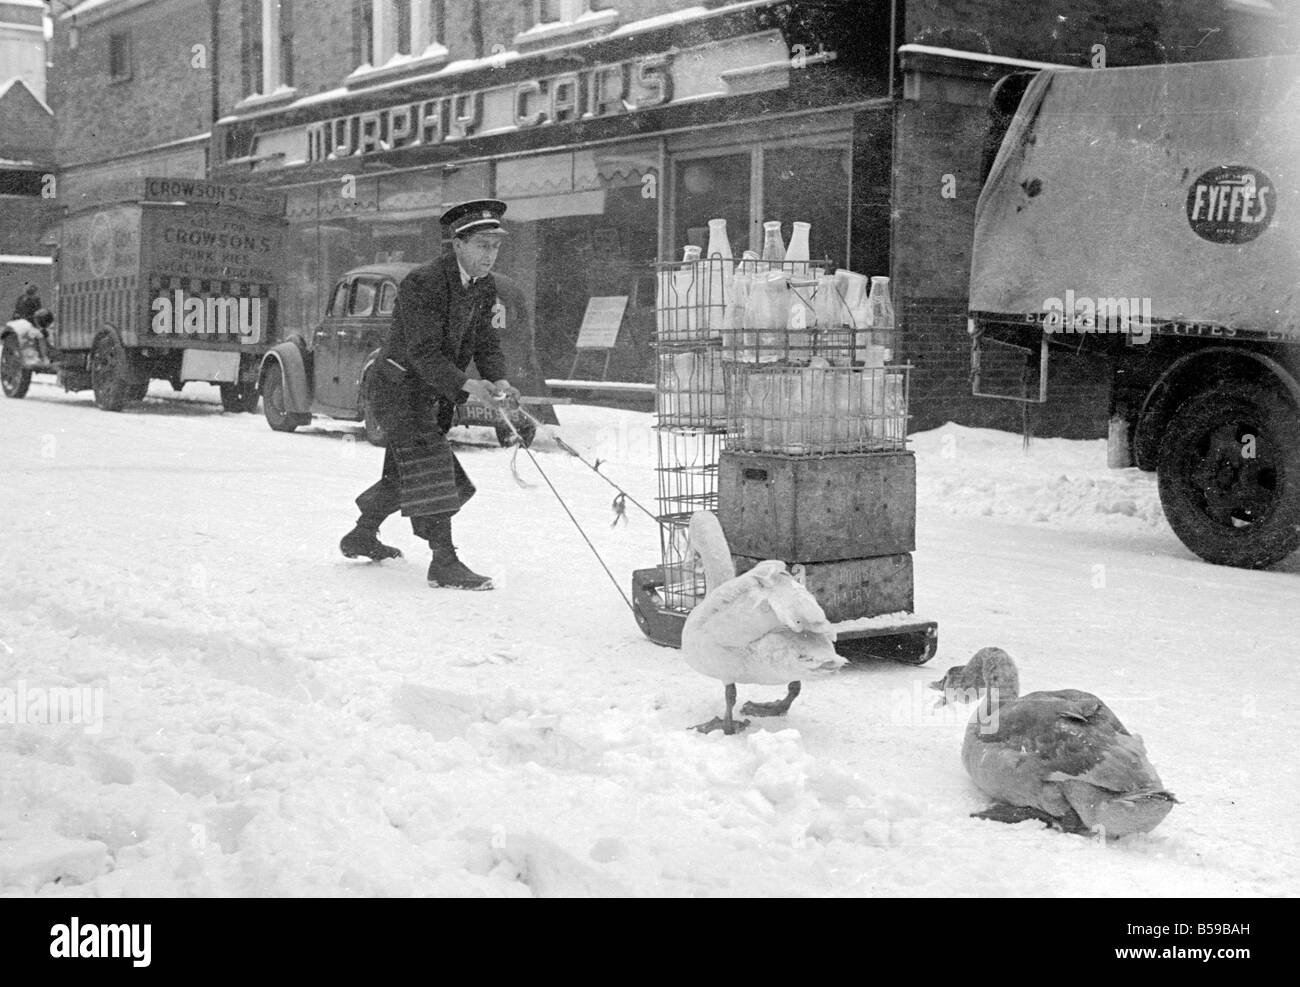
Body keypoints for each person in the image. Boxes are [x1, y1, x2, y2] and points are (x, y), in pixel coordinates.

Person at [338, 199, 520, 590]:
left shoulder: (484, 286)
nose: (490, 255)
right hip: (398, 390)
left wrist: (499, 380)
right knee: (434, 470)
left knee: (405, 475)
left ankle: (362, 534)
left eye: (496, 246)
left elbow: (485, 341)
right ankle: (444, 562)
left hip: (430, 393)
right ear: (458, 244)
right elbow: (423, 353)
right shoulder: (424, 282)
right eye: (482, 246)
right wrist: (467, 386)